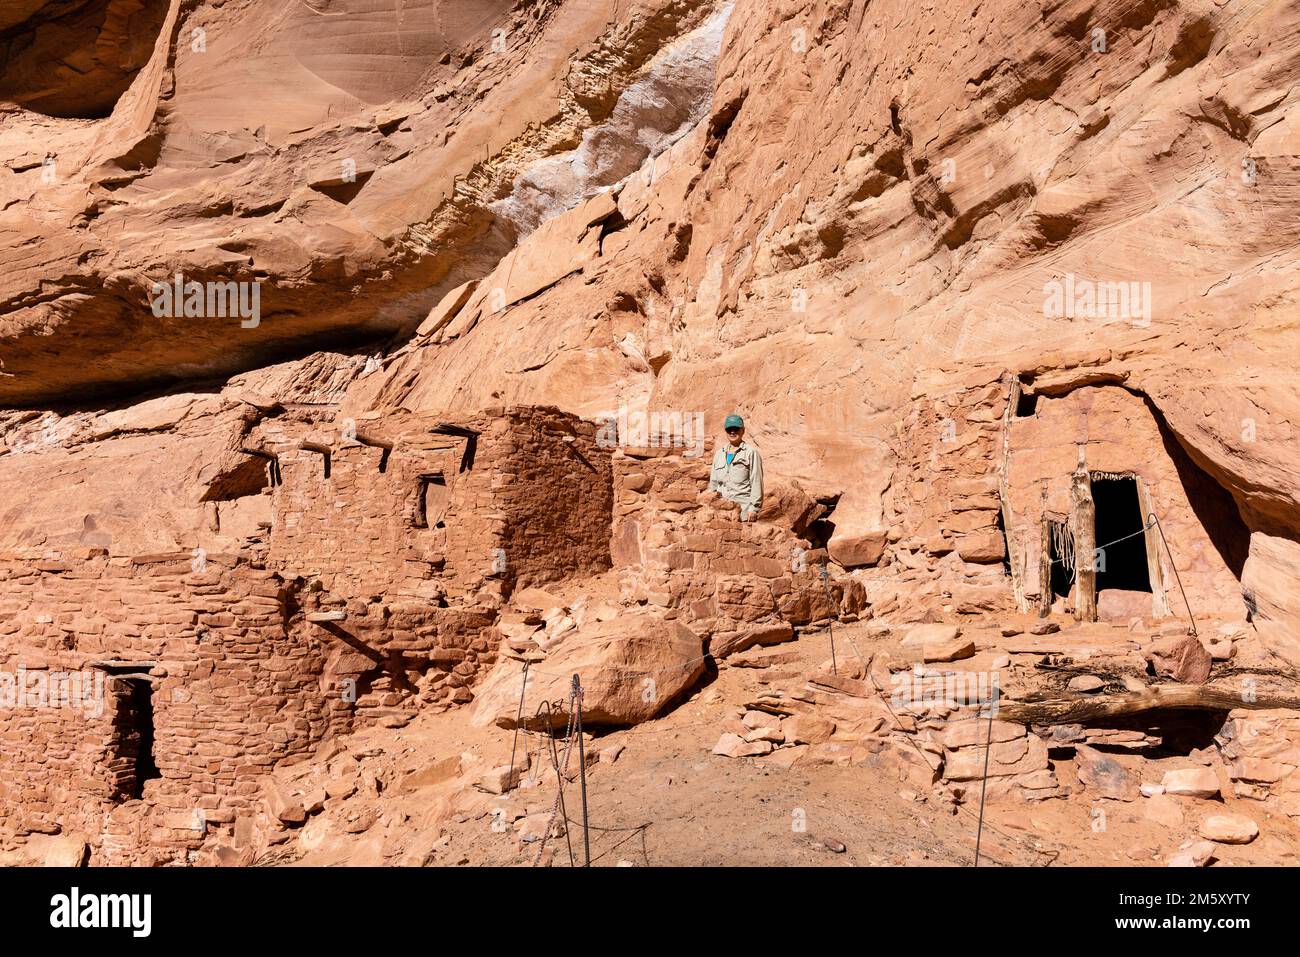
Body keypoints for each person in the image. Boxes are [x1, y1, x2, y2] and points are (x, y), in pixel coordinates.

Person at [708, 414, 763, 520]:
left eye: (736, 429)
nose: (732, 432)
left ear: (743, 430)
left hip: (743, 512)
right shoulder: (719, 453)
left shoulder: (751, 453)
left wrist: (754, 509)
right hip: (721, 512)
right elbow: (713, 482)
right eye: (729, 429)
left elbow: (756, 481)